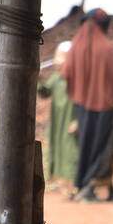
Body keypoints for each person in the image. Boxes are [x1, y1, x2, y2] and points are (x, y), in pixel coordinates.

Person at [62, 8, 113, 202]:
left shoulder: (75, 46)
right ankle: (91, 187)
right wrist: (111, 98)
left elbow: (65, 73)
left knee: (86, 146)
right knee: (104, 146)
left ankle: (81, 184)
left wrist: (80, 92)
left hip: (82, 107)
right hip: (105, 108)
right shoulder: (107, 47)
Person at [38, 41, 79, 186]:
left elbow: (85, 101)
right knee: (59, 151)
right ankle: (66, 185)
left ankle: (76, 184)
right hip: (59, 121)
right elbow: (45, 92)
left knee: (72, 152)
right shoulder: (57, 77)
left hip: (72, 121)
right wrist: (38, 78)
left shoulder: (79, 78)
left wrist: (79, 121)